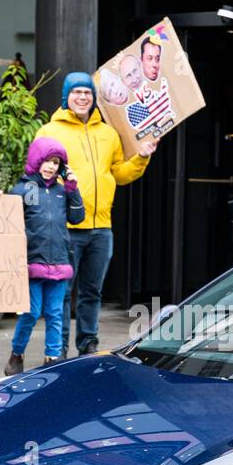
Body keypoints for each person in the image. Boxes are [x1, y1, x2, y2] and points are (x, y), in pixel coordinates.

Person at [36, 72, 156, 356]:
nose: (82, 97)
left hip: (101, 227)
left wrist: (141, 156)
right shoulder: (49, 132)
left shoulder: (108, 133)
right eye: (76, 92)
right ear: (67, 96)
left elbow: (120, 174)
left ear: (94, 98)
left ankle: (88, 343)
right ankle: (58, 349)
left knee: (92, 292)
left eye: (87, 93)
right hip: (65, 227)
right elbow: (37, 174)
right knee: (62, 293)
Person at [4, 136, 85, 375]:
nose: (51, 166)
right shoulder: (24, 189)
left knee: (55, 313)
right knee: (31, 312)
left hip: (59, 262)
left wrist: (73, 189)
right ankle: (16, 354)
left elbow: (77, 218)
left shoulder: (63, 191)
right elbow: (8, 222)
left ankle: (52, 358)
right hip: (31, 262)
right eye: (47, 161)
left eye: (56, 162)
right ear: (35, 160)